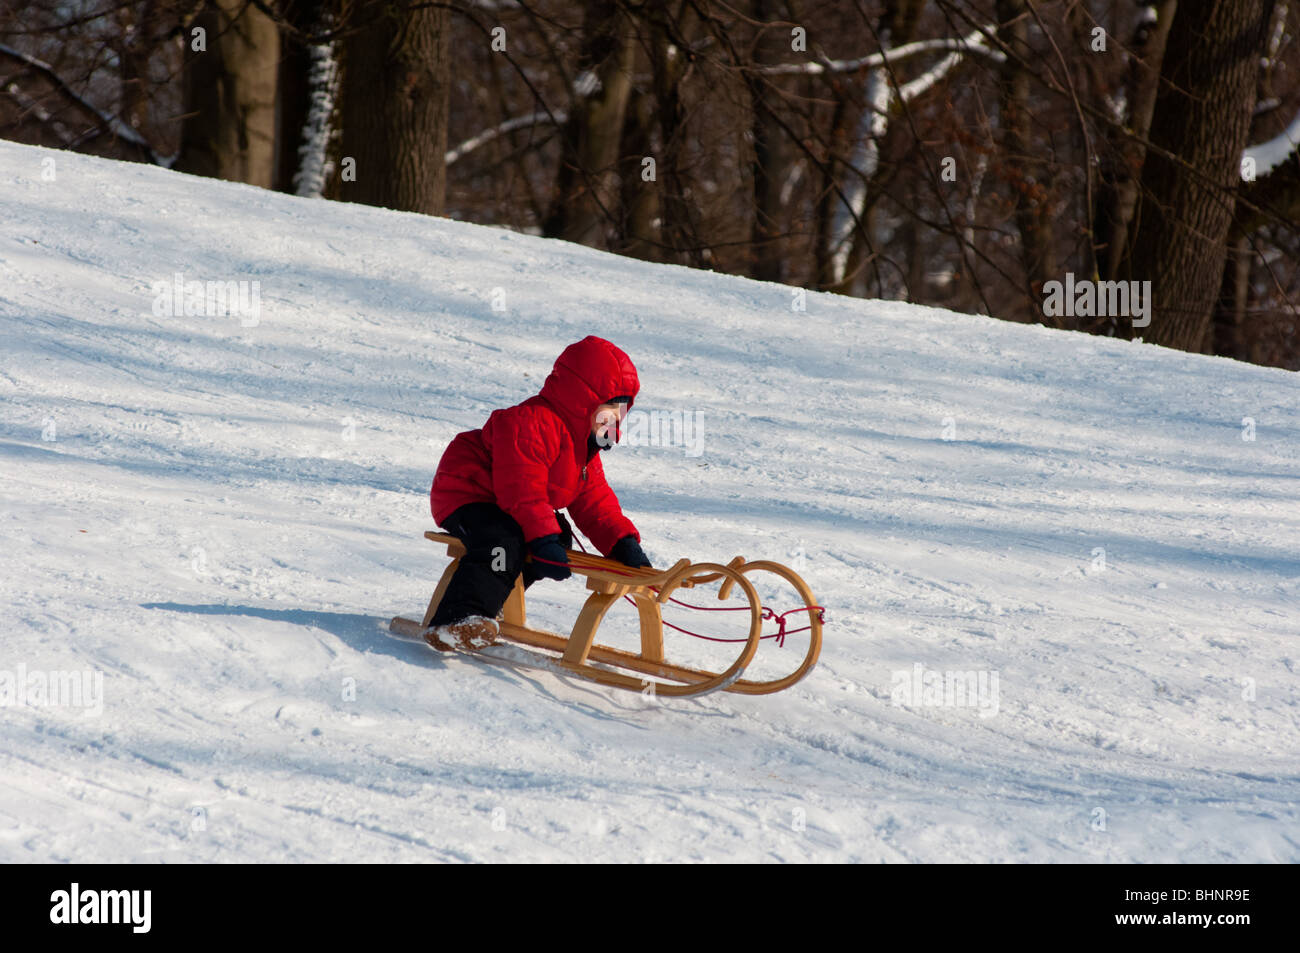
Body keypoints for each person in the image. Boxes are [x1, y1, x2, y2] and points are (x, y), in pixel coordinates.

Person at [426, 336, 652, 651]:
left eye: (623, 408)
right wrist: (541, 540)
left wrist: (623, 544)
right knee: (502, 542)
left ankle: (494, 598)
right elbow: (522, 489)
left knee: (557, 535)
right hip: (467, 492)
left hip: (506, 503)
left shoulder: (582, 449)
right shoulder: (531, 424)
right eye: (610, 405)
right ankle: (460, 617)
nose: (616, 416)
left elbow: (595, 502)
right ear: (582, 399)